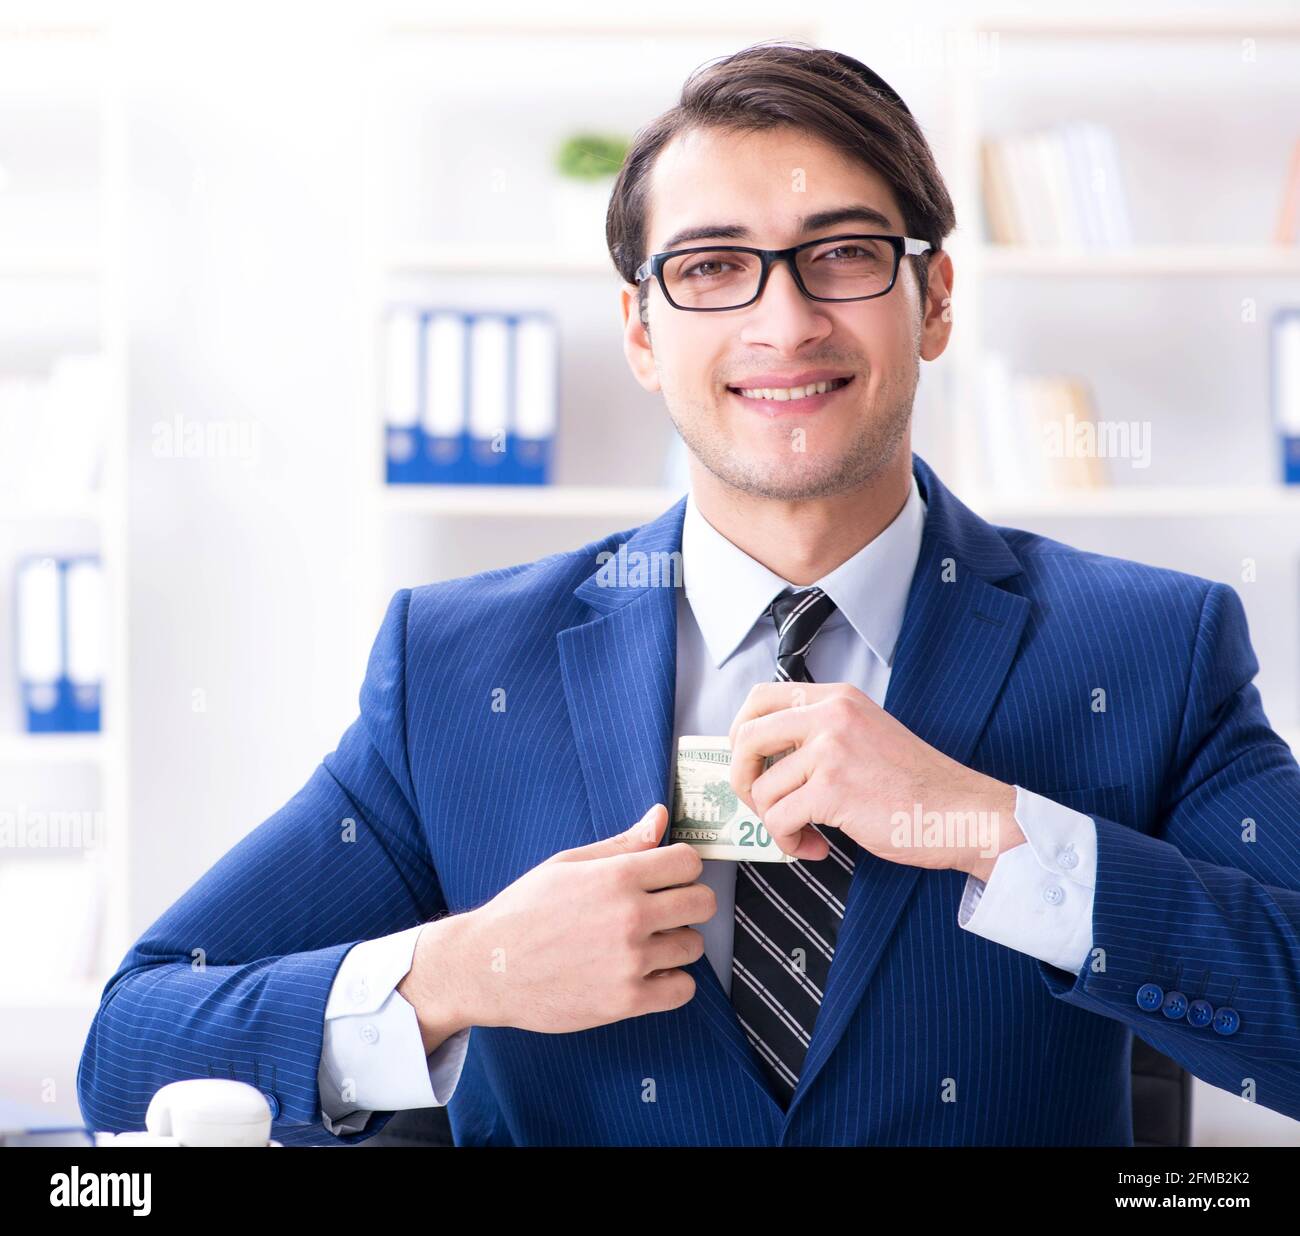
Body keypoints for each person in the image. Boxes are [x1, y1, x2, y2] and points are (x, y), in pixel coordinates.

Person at [78, 42, 1300, 1147]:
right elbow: (132, 1045)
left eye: (842, 255)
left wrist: (994, 828)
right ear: (642, 332)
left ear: (931, 301)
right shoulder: (457, 669)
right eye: (714, 267)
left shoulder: (1149, 648)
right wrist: (466, 971)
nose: (784, 319)